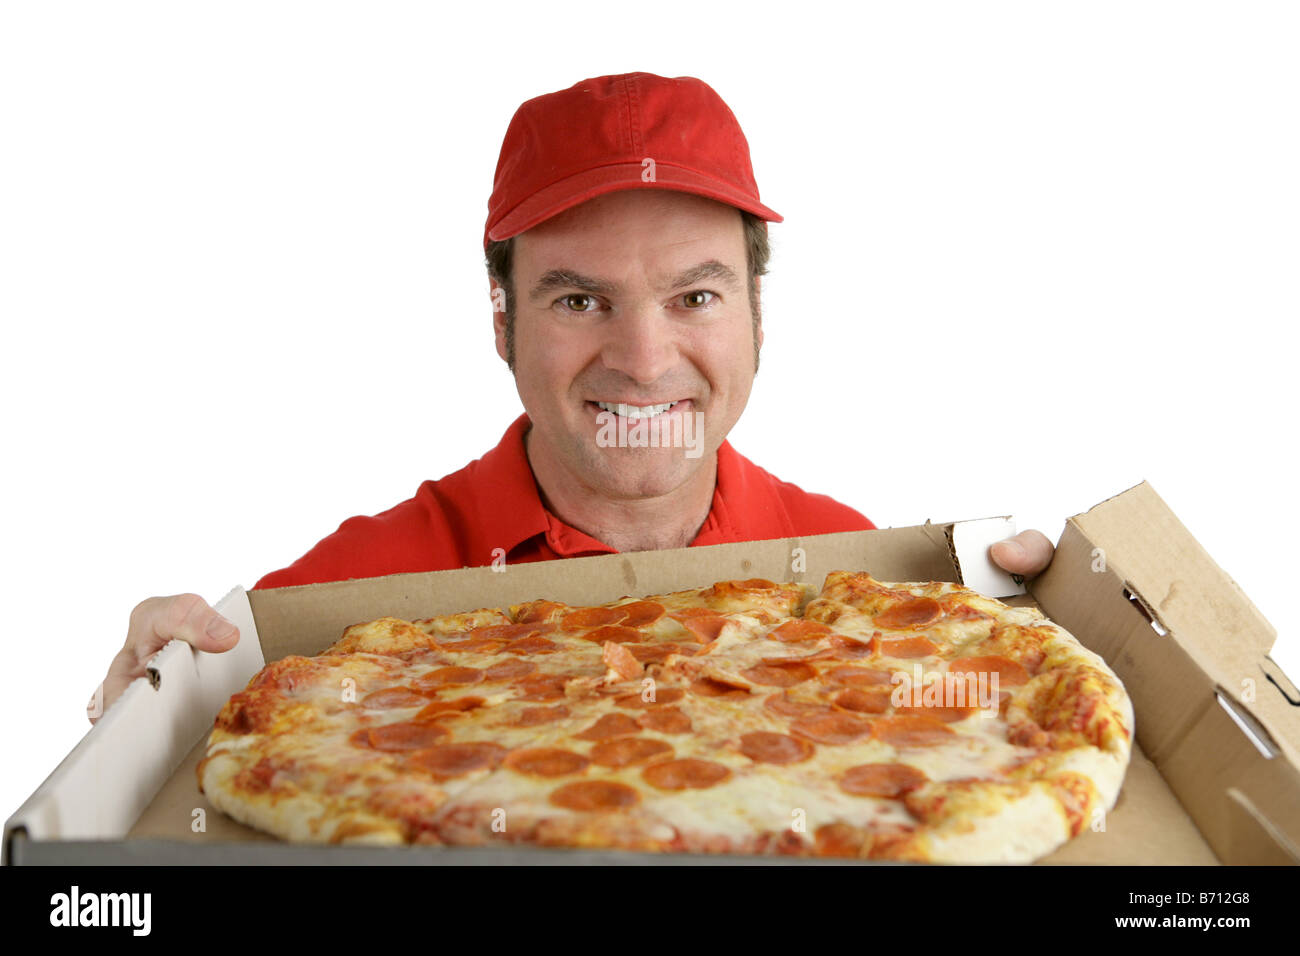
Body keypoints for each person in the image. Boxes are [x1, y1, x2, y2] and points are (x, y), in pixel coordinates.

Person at [91, 72, 1052, 723]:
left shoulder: (870, 583)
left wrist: (1039, 637)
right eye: (581, 298)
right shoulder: (331, 608)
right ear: (501, 320)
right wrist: (148, 715)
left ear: (758, 313)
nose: (641, 359)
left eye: (696, 296)